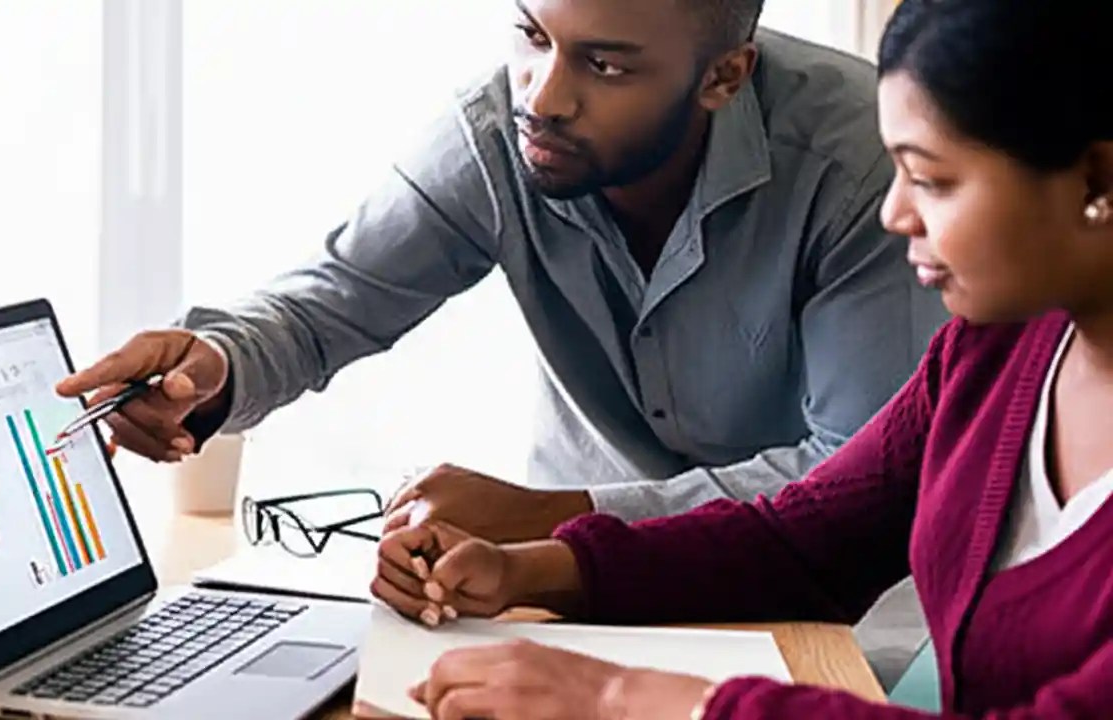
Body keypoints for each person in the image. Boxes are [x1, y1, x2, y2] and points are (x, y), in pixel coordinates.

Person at [371, 0, 1113, 717]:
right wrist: (533, 569)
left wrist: (622, 699)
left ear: (1097, 180)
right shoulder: (1000, 349)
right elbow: (807, 541)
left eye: (933, 179)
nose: (894, 213)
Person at [58, 0, 945, 545]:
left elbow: (857, 479)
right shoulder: (499, 133)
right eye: (530, 33)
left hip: (826, 611)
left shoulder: (863, 167)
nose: (543, 94)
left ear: (724, 76)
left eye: (603, 64)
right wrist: (214, 367)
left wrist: (554, 513)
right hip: (570, 590)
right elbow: (329, 307)